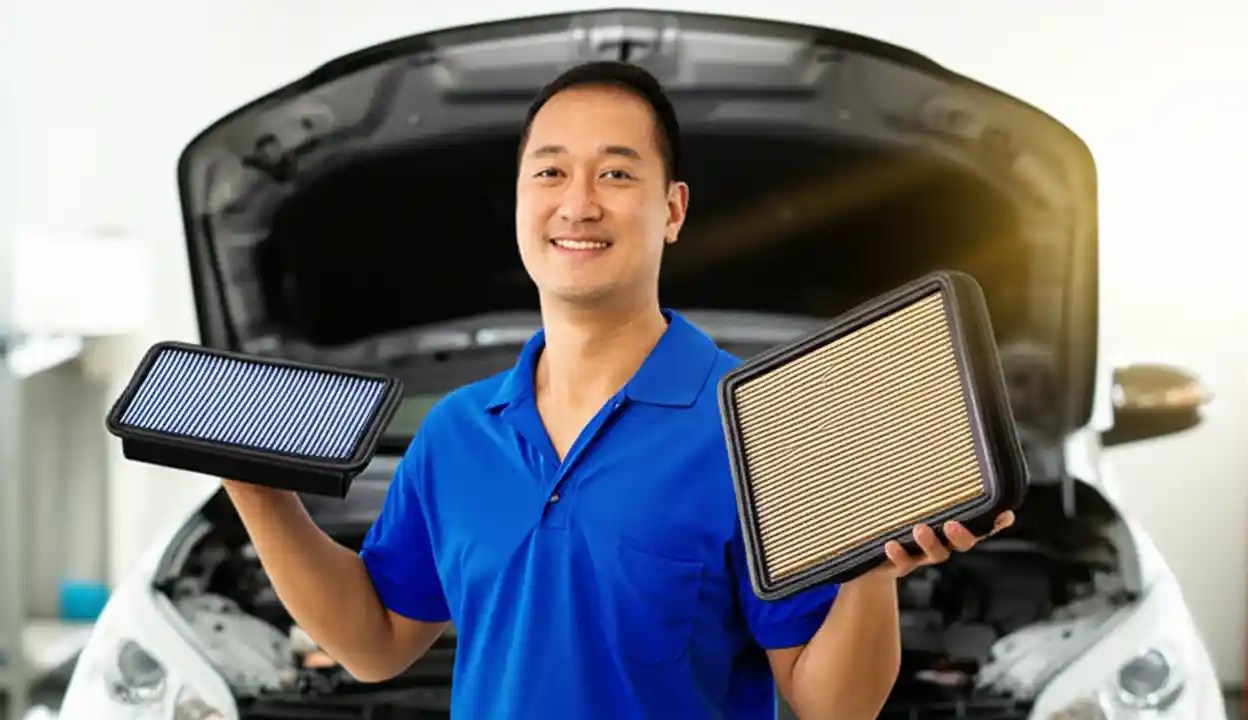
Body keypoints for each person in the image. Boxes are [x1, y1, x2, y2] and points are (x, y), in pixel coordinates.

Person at [221, 60, 1015, 720]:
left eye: (615, 173)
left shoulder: (763, 428)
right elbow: (375, 640)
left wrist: (869, 575)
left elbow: (828, 708)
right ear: (523, 202)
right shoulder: (457, 433)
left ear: (672, 210)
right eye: (552, 172)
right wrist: (260, 496)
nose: (578, 202)